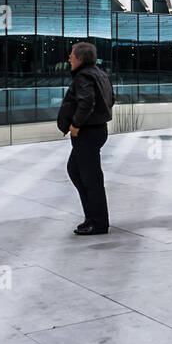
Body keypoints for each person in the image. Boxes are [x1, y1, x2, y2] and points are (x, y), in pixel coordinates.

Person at [57, 41, 115, 236]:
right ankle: (92, 217)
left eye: (72, 55)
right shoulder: (99, 73)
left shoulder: (84, 76)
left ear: (81, 58)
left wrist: (76, 125)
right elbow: (111, 99)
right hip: (97, 130)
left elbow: (87, 101)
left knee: (91, 179)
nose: (69, 58)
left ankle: (98, 223)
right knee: (76, 170)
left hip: (87, 132)